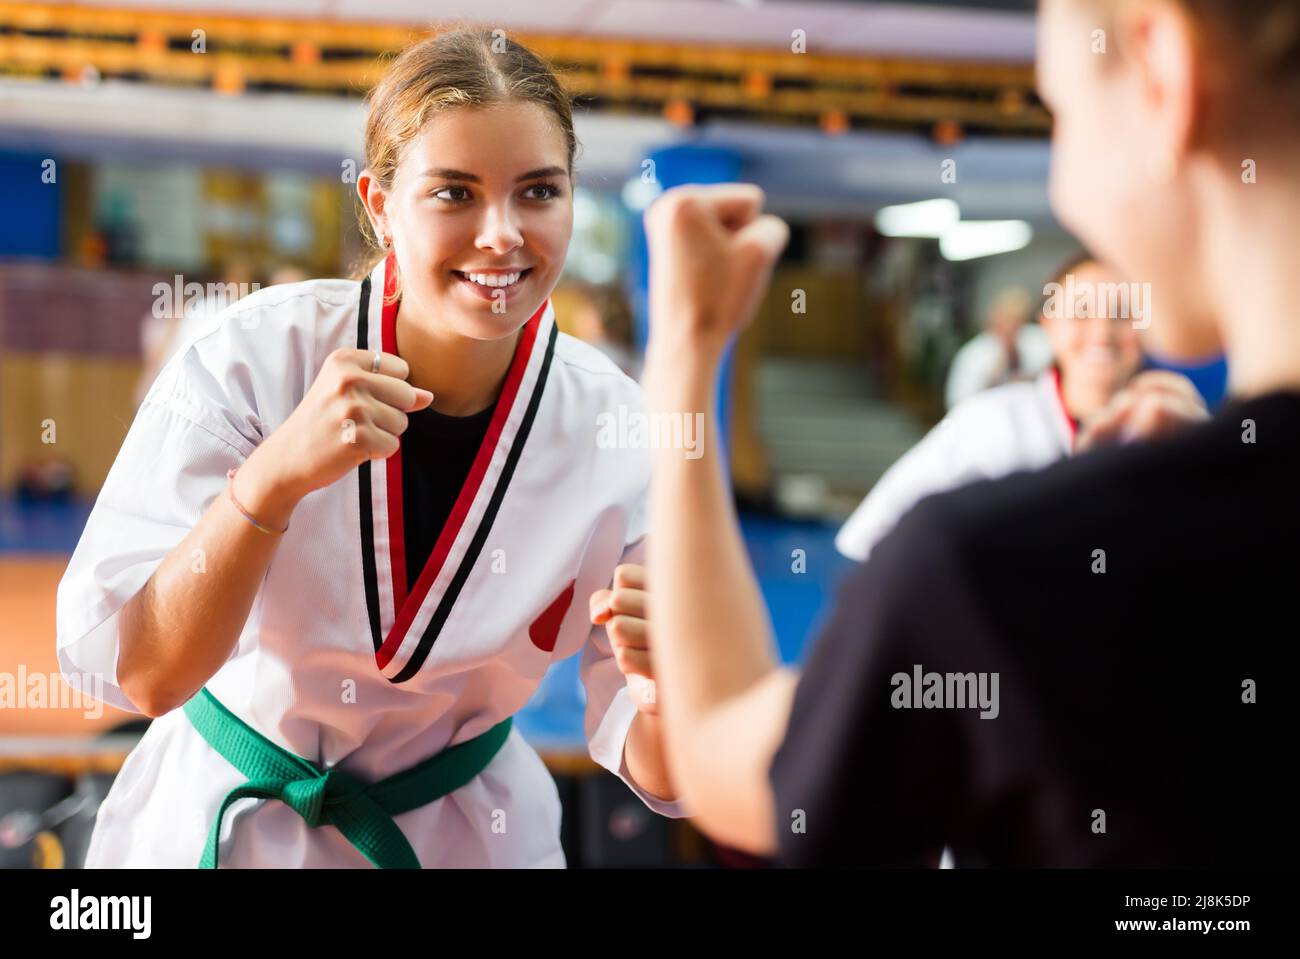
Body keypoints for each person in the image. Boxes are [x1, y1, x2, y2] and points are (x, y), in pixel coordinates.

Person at [628, 0, 1294, 866]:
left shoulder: (995, 568)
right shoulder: (1027, 499)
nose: (1063, 175)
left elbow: (726, 758)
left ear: (1161, 77)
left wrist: (684, 355)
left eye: (1060, 112)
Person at [56, 29, 682, 869]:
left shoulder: (615, 425)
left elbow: (653, 761)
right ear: (380, 205)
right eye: (454, 193)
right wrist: (269, 483)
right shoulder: (253, 357)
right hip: (227, 818)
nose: (502, 234)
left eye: (538, 191)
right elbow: (148, 676)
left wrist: (667, 702)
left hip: (466, 834)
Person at [837, 254, 1207, 563]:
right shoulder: (992, 422)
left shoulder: (1177, 424)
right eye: (1081, 313)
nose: (1102, 333)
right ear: (1048, 324)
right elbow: (872, 533)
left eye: (1124, 314)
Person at [944, 286, 1053, 409]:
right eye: (1006, 319)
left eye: (1016, 320)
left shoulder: (1036, 340)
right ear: (994, 320)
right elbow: (958, 401)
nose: (1010, 327)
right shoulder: (973, 355)